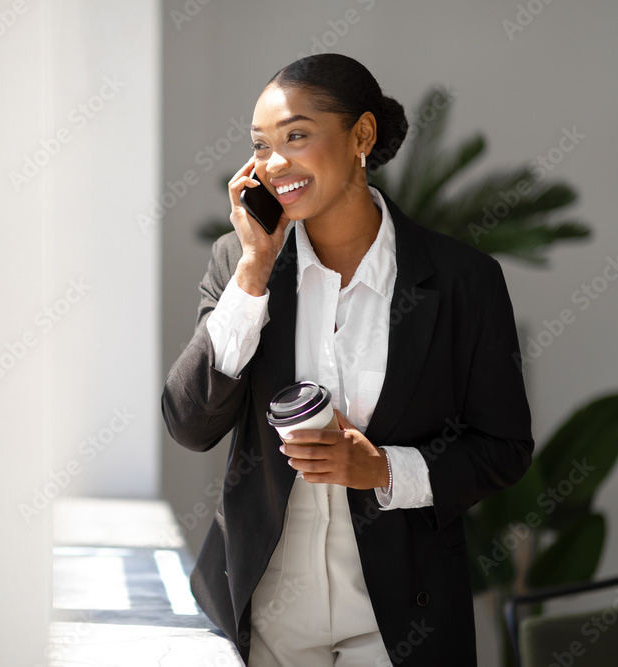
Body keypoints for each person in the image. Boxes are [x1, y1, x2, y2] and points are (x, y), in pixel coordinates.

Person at [161, 53, 533, 666]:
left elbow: (504, 447)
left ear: (361, 135)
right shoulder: (239, 262)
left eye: (297, 136)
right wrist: (254, 271)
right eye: (261, 145)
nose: (274, 163)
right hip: (266, 610)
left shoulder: (464, 280)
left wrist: (384, 468)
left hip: (397, 615)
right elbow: (189, 423)